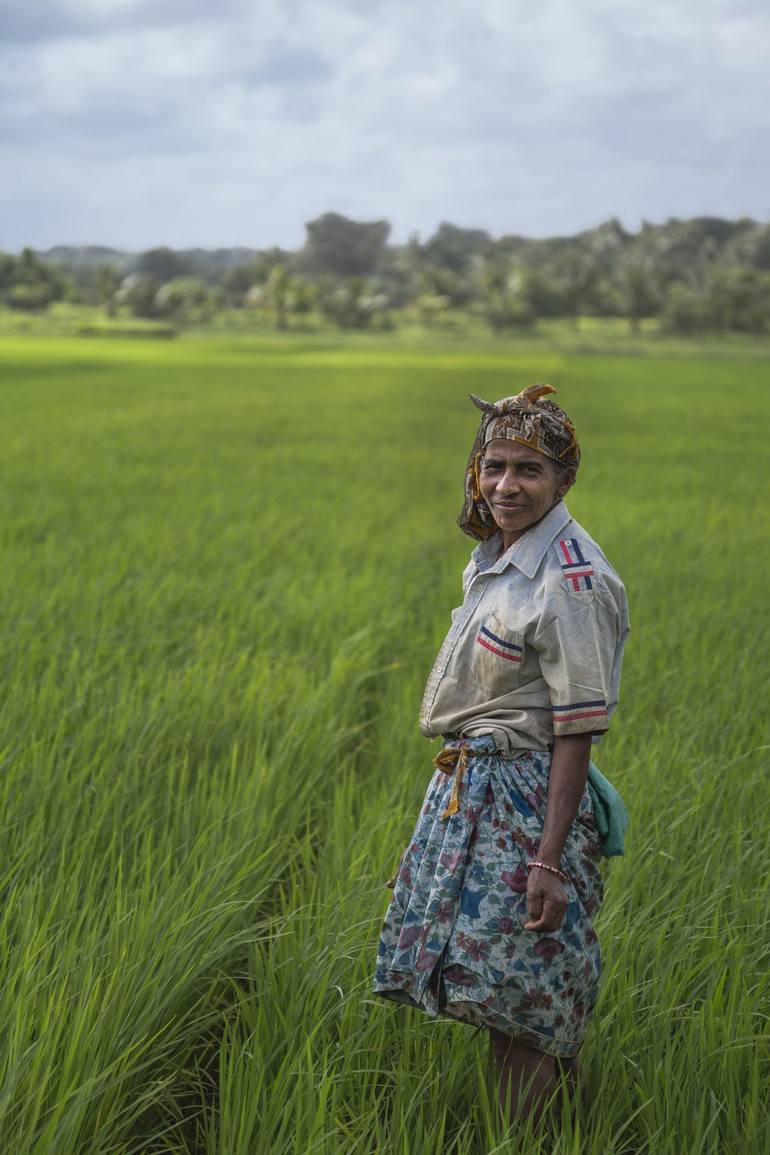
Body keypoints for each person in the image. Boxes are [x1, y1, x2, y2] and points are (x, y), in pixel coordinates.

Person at [373, 383, 630, 1124]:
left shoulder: (571, 580)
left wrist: (548, 862)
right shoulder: (499, 555)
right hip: (477, 790)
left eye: (529, 469)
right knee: (508, 996)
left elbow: (576, 729)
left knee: (523, 1003)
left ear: (564, 479)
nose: (506, 485)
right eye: (495, 466)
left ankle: (529, 1138)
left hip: (526, 801)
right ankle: (566, 1131)